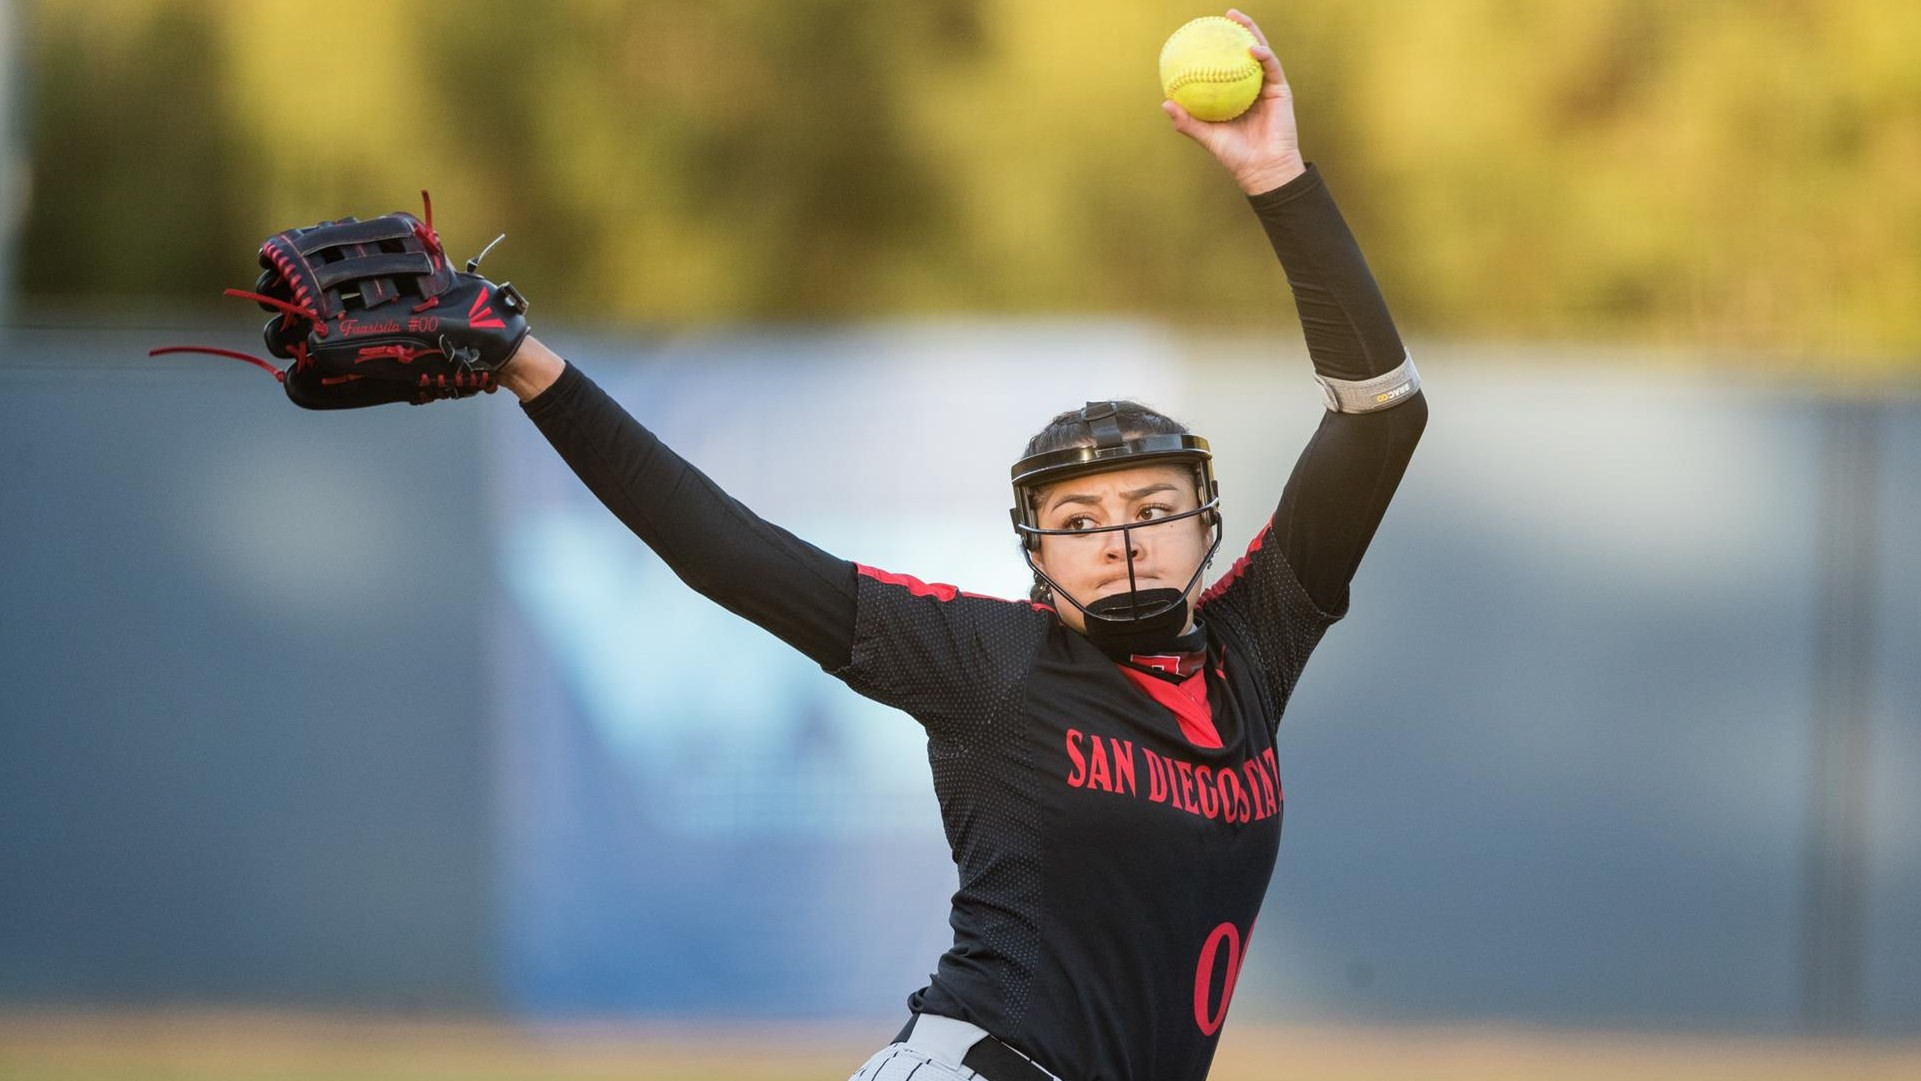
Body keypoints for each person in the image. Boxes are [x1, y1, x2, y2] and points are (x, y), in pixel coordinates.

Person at [492, 9, 1424, 1080]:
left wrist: (1279, 177)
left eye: (1150, 504)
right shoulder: (993, 661)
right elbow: (730, 554)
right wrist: (532, 370)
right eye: (1078, 520)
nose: (1118, 537)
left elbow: (1379, 419)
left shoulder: (1251, 650)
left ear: (1206, 522)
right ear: (1035, 554)